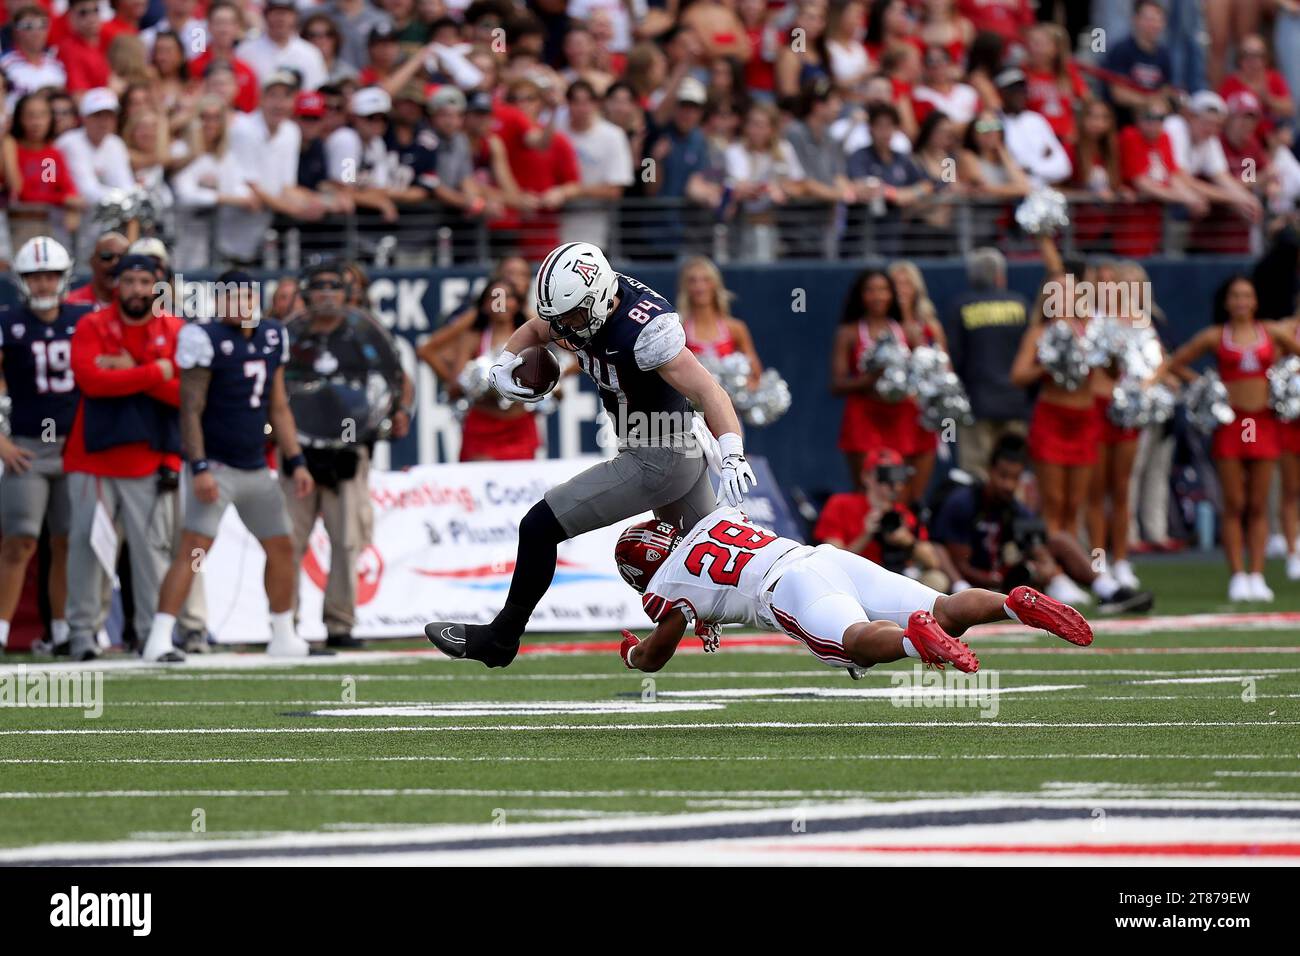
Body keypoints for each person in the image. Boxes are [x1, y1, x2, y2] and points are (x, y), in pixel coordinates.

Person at [424, 241, 756, 669]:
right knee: (722, 566)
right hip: (665, 449)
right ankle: (823, 623)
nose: (565, 328)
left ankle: (501, 638)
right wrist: (504, 364)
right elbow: (537, 328)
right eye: (560, 317)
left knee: (539, 526)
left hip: (659, 455)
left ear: (599, 298)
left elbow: (708, 390)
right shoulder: (575, 308)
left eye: (574, 317)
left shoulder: (645, 330)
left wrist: (732, 453)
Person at [615, 501, 1092, 678]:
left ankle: (912, 639)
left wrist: (633, 653)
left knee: (856, 645)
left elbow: (658, 653)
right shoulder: (718, 519)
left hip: (788, 589)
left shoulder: (664, 585)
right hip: (823, 557)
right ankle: (1013, 604)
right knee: (944, 606)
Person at [141, 271, 315, 662]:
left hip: (256, 466)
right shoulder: (204, 338)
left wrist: (296, 459)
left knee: (282, 546)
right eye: (230, 299)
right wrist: (199, 466)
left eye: (244, 298)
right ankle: (159, 637)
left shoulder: (272, 335)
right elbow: (191, 409)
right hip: (216, 466)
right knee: (194, 549)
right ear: (218, 303)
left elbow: (279, 405)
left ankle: (283, 633)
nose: (238, 306)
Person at [63, 254, 184, 661]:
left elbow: (184, 394)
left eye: (143, 281)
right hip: (92, 458)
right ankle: (82, 634)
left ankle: (155, 637)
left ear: (158, 285)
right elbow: (92, 382)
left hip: (147, 459)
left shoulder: (175, 328)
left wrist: (131, 369)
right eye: (128, 281)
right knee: (86, 547)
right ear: (116, 285)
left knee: (152, 553)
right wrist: (156, 370)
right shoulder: (92, 324)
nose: (136, 290)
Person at [281, 260, 407, 649]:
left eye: (333, 287)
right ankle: (285, 624)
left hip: (347, 450)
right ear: (306, 294)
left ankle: (340, 624)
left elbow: (396, 379)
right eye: (317, 287)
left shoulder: (362, 336)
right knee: (289, 541)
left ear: (345, 293)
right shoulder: (290, 337)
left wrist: (398, 411)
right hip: (299, 450)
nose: (326, 295)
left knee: (346, 541)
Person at [1160, 275, 1300, 601]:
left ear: (1255, 301)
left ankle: (1258, 575)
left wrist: (1286, 378)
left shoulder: (1272, 332)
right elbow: (1176, 362)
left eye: (1247, 296)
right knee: (1234, 503)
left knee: (1258, 503)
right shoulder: (1215, 336)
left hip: (1262, 423)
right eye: (1235, 296)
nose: (1241, 302)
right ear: (1227, 302)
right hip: (1232, 425)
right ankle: (1237, 575)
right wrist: (1205, 386)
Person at [930, 434, 1154, 613]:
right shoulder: (964, 502)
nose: (1008, 485)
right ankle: (1059, 587)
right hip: (968, 581)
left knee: (1058, 540)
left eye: (1014, 478)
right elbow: (959, 561)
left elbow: (1037, 541)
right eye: (1003, 476)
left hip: (999, 576)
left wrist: (1045, 566)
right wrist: (997, 578)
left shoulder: (1012, 505)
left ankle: (1108, 589)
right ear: (990, 471)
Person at [0, 238, 91, 656]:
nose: (42, 284)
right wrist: (1, 444)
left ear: (64, 276)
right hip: (28, 447)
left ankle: (61, 632)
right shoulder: (9, 323)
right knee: (19, 540)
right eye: (35, 276)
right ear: (22, 280)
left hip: (73, 448)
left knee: (68, 541)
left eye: (50, 274)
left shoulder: (86, 318)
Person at [427, 278, 543, 462]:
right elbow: (455, 384)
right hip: (483, 428)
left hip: (520, 427)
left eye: (508, 297)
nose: (500, 302)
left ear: (518, 303)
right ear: (483, 306)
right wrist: (477, 383)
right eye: (493, 297)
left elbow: (566, 350)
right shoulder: (472, 338)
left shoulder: (533, 336)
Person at [814, 447, 955, 593]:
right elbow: (832, 561)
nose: (892, 483)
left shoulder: (902, 514)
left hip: (895, 578)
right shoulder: (840, 504)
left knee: (936, 579)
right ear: (866, 477)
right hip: (856, 580)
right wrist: (866, 535)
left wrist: (906, 540)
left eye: (896, 475)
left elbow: (932, 562)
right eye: (885, 475)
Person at [943, 247, 1030, 480]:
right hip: (1014, 403)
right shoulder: (1020, 305)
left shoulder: (961, 306)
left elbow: (953, 359)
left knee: (976, 475)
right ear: (1000, 276)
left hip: (975, 404)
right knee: (1013, 475)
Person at [676, 255, 762, 384]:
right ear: (686, 287)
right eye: (692, 281)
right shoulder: (679, 329)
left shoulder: (735, 328)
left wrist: (741, 389)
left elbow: (755, 373)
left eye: (706, 280)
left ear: (715, 285)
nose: (700, 287)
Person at [66, 231, 127, 309]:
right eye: (107, 256)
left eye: (122, 258)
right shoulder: (72, 304)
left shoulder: (136, 305)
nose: (114, 263)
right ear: (92, 261)